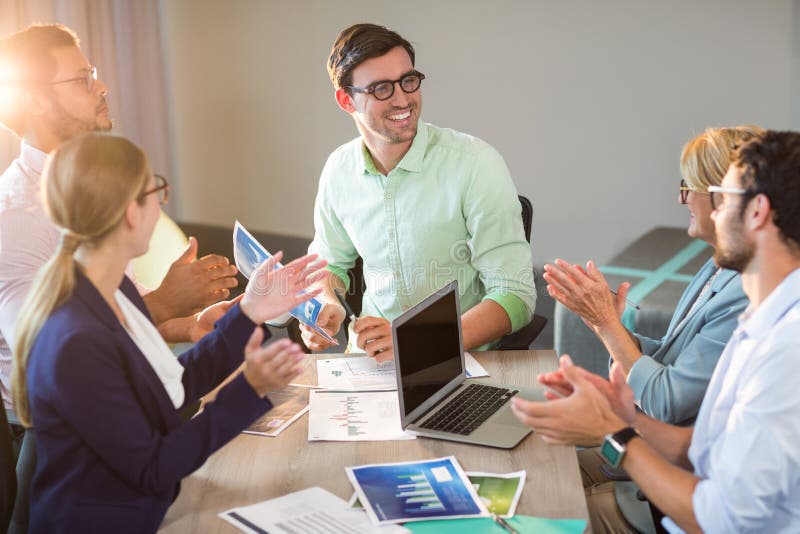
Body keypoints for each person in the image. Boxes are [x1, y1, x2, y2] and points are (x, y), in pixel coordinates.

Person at [12, 133, 328, 533]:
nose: (162, 204)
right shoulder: (77, 341)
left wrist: (251, 310)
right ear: (130, 212)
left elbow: (169, 384)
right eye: (155, 190)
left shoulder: (114, 291)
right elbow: (152, 468)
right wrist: (248, 387)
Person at [512, 130, 800, 532]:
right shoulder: (763, 317)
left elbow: (720, 520)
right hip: (674, 485)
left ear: (757, 212)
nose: (712, 212)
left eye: (722, 196)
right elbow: (697, 448)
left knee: (533, 509)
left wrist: (616, 433)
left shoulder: (786, 350)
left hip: (680, 515)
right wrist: (620, 414)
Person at [0, 24, 238, 411]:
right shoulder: (14, 217)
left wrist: (186, 323)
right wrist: (163, 303)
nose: (103, 86)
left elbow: (120, 308)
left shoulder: (85, 185)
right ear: (36, 102)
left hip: (124, 397)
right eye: (83, 79)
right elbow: (51, 355)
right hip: (58, 435)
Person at [302, 23, 536, 360]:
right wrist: (325, 305)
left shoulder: (475, 163)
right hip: (369, 362)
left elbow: (516, 295)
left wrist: (415, 343)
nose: (403, 99)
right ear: (346, 100)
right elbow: (329, 265)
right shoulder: (338, 170)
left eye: (408, 81)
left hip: (457, 360)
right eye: (381, 88)